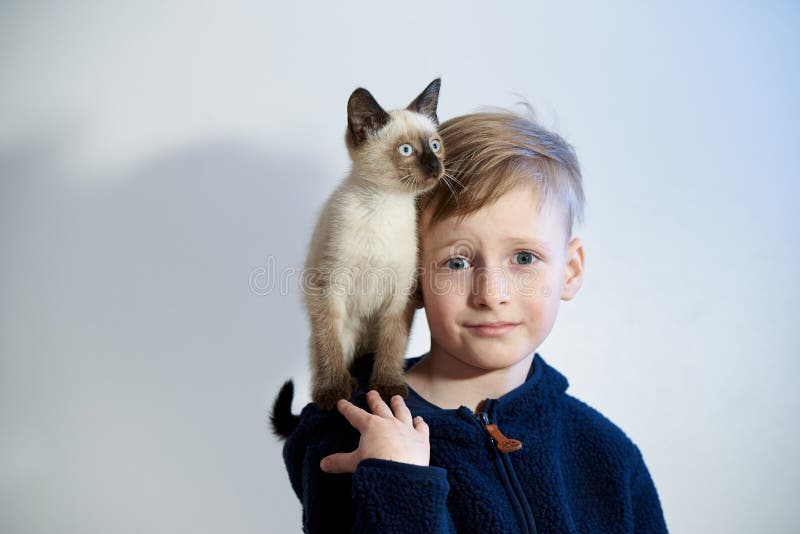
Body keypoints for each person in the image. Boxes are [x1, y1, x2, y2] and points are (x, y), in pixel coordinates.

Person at [278, 108, 669, 533]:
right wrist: (397, 483)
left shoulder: (607, 454)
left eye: (524, 257)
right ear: (412, 277)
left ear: (570, 271)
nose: (491, 294)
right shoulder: (351, 433)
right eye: (458, 261)